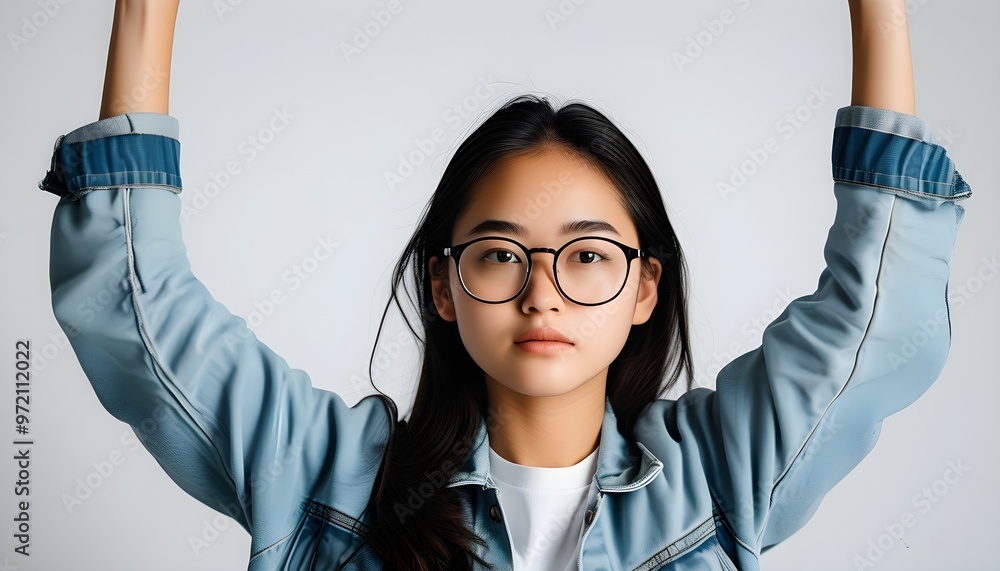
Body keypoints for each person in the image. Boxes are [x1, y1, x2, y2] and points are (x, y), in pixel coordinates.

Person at [38, 0, 972, 569]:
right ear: (443, 287)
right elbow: (136, 303)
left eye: (588, 255)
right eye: (499, 254)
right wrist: (145, 10)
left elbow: (877, 314)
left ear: (645, 288)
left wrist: (880, 12)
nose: (543, 294)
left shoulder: (718, 477)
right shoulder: (325, 471)